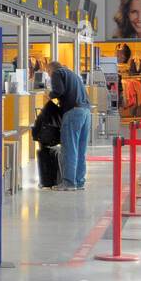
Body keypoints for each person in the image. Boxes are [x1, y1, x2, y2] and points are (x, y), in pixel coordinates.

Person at [49, 61, 90, 190]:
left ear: (50, 70)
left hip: (73, 113)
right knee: (81, 149)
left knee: (69, 148)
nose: (49, 76)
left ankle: (68, 183)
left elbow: (58, 91)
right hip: (86, 112)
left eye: (48, 72)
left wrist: (49, 95)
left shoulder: (57, 73)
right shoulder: (72, 73)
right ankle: (79, 181)